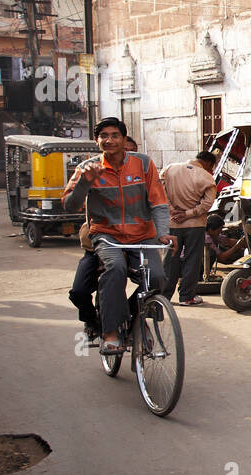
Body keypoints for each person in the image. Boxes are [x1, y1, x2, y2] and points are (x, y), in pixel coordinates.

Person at [64, 117, 173, 356]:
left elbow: (158, 201)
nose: (109, 140)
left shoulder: (143, 164)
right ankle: (110, 332)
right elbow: (69, 204)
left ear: (124, 140)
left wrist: (163, 232)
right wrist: (85, 182)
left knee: (157, 278)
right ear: (97, 140)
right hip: (106, 235)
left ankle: (133, 318)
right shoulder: (88, 168)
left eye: (115, 135)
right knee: (114, 270)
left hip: (142, 236)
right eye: (104, 135)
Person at [160, 150, 216, 306]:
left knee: (170, 259)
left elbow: (159, 192)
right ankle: (186, 296)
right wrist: (188, 213)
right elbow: (207, 204)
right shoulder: (206, 177)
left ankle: (164, 295)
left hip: (173, 222)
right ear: (209, 164)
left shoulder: (170, 169)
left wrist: (171, 209)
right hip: (195, 225)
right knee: (192, 259)